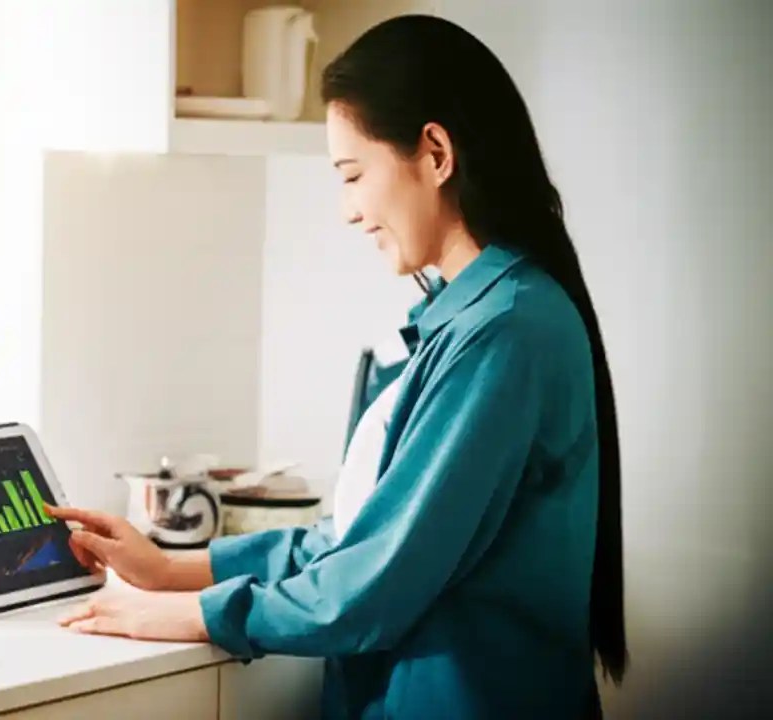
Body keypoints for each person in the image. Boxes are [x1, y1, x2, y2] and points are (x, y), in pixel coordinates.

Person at [44, 14, 626, 720]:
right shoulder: (482, 315)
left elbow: (374, 582)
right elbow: (361, 539)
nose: (349, 211)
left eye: (353, 175)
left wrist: (196, 613)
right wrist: (172, 570)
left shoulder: (505, 332)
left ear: (435, 153)